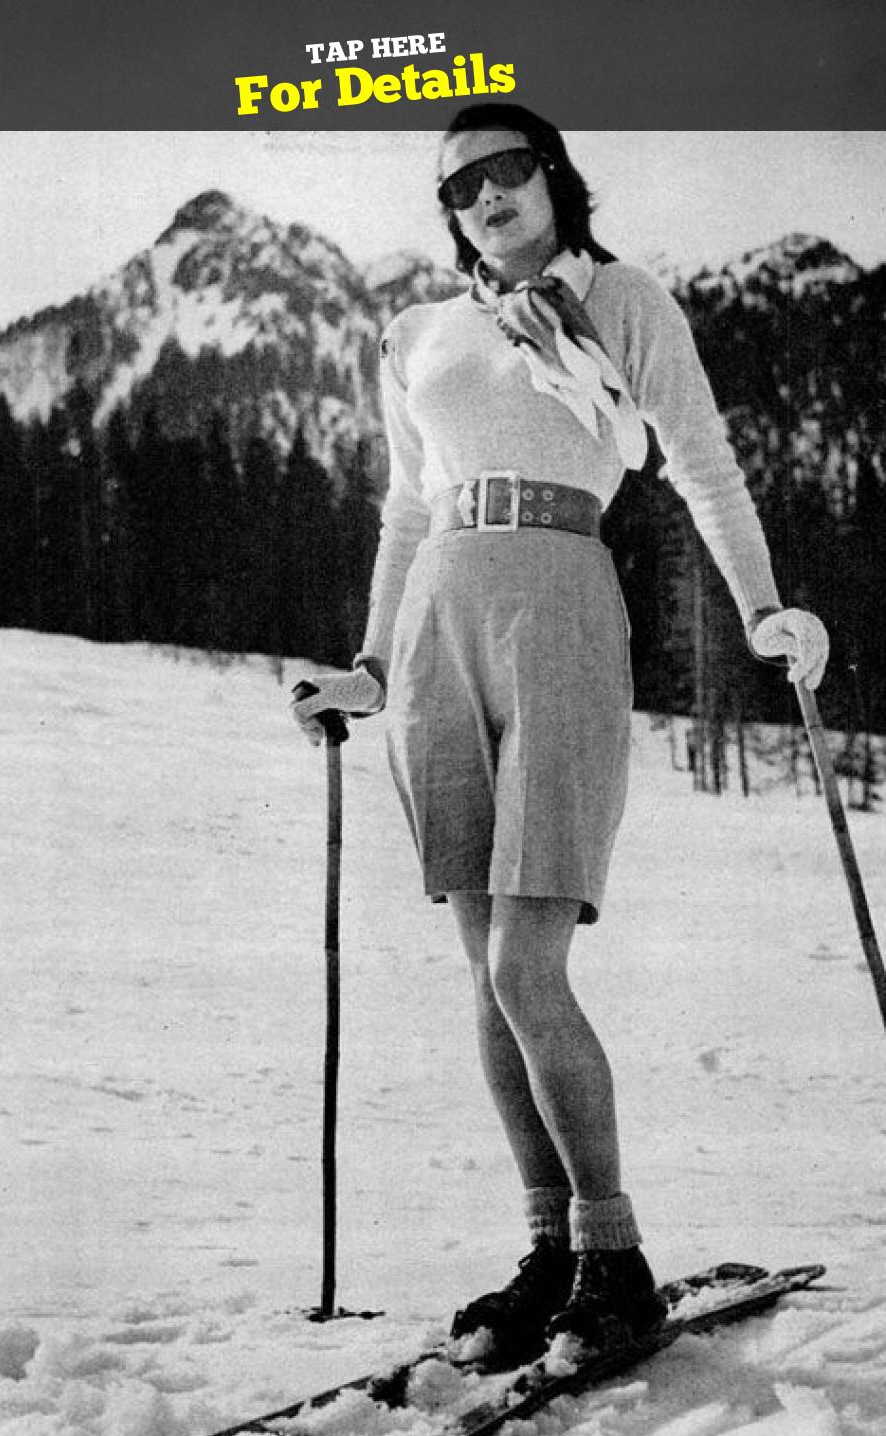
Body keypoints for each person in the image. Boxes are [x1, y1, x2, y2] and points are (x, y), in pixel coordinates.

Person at [292, 105, 829, 1368]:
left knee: (527, 966)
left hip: (560, 606)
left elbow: (701, 464)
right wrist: (371, 666)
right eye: (460, 185)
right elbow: (403, 511)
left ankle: (617, 1257)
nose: (486, 196)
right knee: (484, 976)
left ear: (554, 178)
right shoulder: (416, 333)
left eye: (507, 170)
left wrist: (762, 609)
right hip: (438, 623)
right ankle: (552, 1253)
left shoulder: (622, 299)